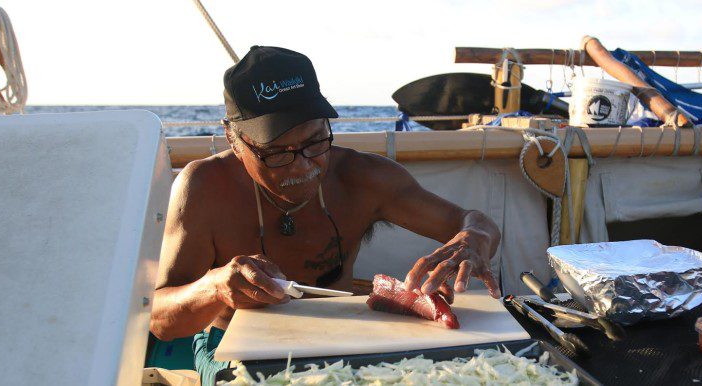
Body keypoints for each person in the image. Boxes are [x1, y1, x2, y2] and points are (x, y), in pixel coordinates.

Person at [148, 46, 502, 385]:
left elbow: (473, 221)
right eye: (275, 153)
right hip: (235, 350)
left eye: (316, 142)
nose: (303, 165)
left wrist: (474, 241)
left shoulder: (363, 177)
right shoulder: (204, 187)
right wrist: (214, 287)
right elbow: (161, 322)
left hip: (345, 343)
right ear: (233, 137)